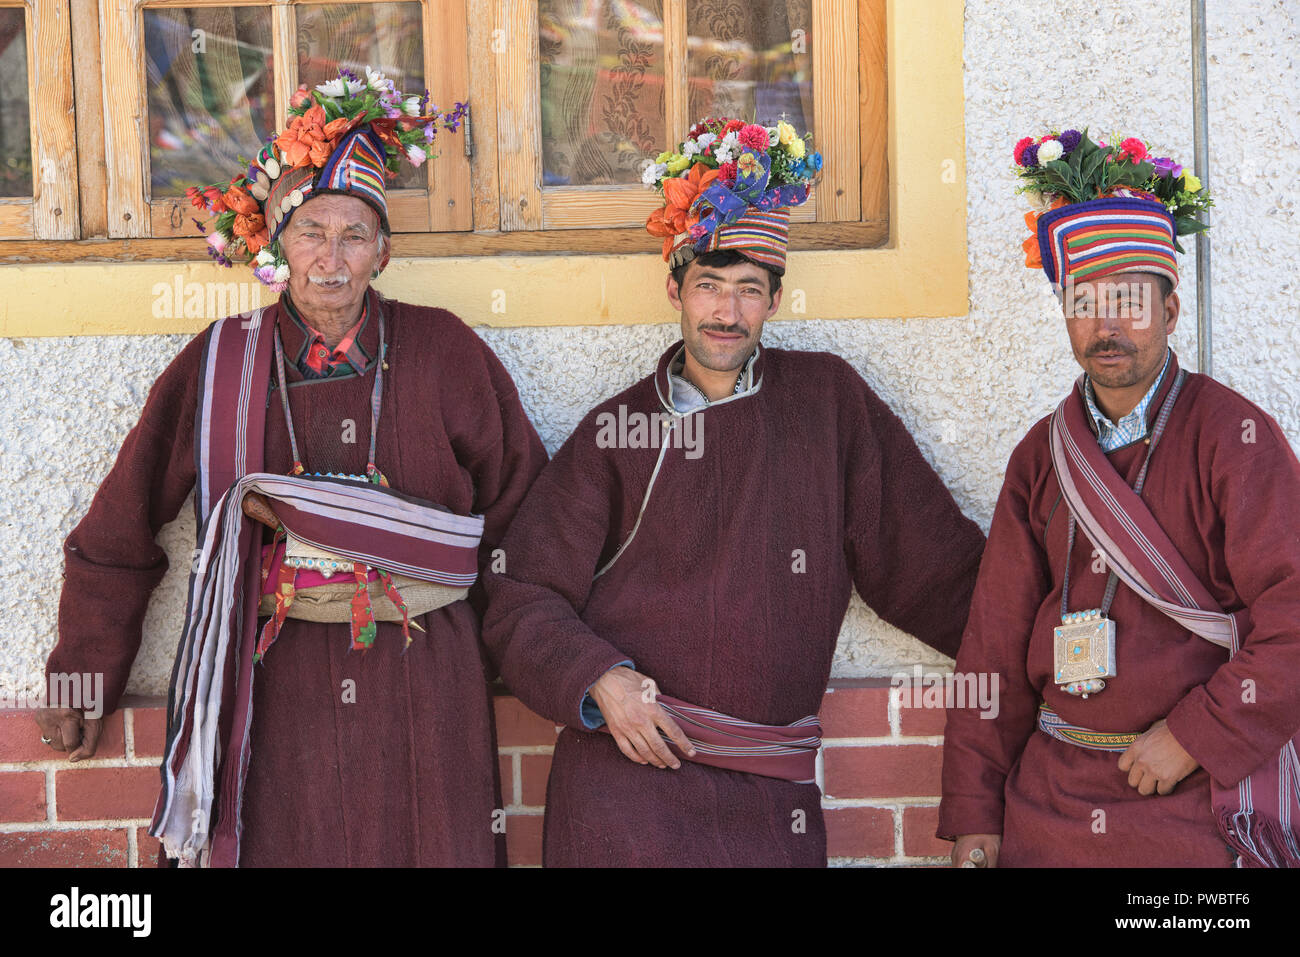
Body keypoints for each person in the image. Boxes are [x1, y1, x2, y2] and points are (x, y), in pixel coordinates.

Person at [35, 69, 547, 866]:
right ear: (279, 244)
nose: (331, 261)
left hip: (426, 678)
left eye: (353, 236)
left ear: (385, 250)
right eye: (311, 232)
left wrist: (532, 661)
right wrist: (81, 674)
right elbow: (122, 522)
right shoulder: (221, 362)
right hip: (273, 681)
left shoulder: (448, 350)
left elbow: (527, 519)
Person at [482, 118, 985, 866]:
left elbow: (933, 566)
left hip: (768, 802)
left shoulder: (828, 405)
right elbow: (519, 592)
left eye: (750, 290)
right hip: (625, 800)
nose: (726, 310)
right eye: (709, 285)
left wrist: (1045, 646)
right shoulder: (618, 430)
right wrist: (599, 680)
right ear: (675, 290)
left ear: (775, 302)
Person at [940, 129, 1300, 868]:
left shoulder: (1234, 437)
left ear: (1171, 312)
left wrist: (1201, 734)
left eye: (1130, 301)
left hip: (1193, 801)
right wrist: (976, 808)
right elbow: (995, 644)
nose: (1107, 324)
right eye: (1085, 301)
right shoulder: (1041, 455)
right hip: (1050, 800)